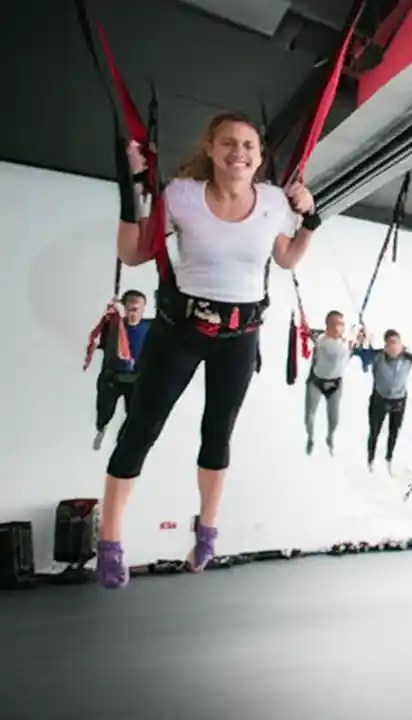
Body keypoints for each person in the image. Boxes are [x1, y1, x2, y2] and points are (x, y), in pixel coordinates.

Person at [97, 113, 318, 589]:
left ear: (259, 156)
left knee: (218, 432)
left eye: (248, 146)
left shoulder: (275, 202)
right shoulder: (181, 195)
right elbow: (134, 253)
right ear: (211, 149)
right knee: (141, 427)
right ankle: (110, 539)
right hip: (180, 331)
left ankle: (207, 530)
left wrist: (310, 220)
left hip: (239, 337)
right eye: (229, 144)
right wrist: (129, 186)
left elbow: (286, 259)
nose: (239, 153)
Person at [88, 290, 152, 451]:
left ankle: (124, 440)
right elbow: (96, 337)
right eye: (129, 308)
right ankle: (102, 428)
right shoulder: (114, 327)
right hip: (112, 378)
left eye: (136, 309)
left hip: (136, 379)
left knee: (135, 414)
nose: (132, 313)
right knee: (104, 409)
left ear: (144, 307)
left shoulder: (151, 327)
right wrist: (111, 312)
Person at [354, 329, 412, 473]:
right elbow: (360, 353)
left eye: (397, 343)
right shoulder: (378, 356)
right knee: (374, 431)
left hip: (399, 401)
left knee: (394, 432)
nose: (395, 347)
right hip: (379, 399)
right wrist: (360, 341)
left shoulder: (408, 358)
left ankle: (389, 457)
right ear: (385, 346)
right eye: (391, 343)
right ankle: (370, 459)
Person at [304, 311, 360, 456]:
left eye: (340, 324)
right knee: (310, 415)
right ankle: (310, 438)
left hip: (335, 384)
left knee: (334, 419)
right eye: (334, 324)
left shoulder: (344, 342)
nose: (337, 328)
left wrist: (358, 339)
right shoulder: (322, 342)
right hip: (316, 381)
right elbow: (334, 352)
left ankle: (330, 436)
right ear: (327, 326)